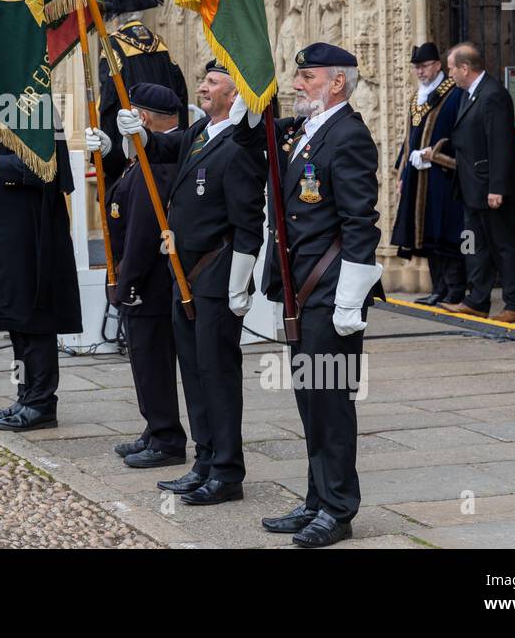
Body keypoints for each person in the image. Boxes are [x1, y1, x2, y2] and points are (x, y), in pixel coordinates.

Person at [115, 62, 267, 499]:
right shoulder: (203, 132)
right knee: (195, 373)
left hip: (215, 273)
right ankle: (203, 460)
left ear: (236, 94)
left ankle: (226, 471)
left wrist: (240, 279)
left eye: (213, 82)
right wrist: (132, 135)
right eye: (204, 80)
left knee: (217, 373)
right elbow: (162, 148)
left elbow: (247, 220)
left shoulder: (239, 144)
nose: (201, 86)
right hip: (183, 274)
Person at [260, 43, 383, 548]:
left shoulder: (348, 136)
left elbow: (360, 222)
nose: (296, 84)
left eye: (307, 77)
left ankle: (338, 509)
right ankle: (316, 498)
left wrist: (351, 298)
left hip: (330, 295)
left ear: (336, 82)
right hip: (302, 294)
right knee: (311, 401)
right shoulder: (308, 132)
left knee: (331, 404)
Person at [90, 83, 187, 468]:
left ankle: (166, 438)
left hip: (149, 283)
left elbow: (144, 231)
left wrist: (126, 281)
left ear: (142, 118)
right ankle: (154, 428)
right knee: (145, 360)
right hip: (145, 281)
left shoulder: (157, 159)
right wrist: (111, 153)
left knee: (152, 361)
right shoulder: (145, 154)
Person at [0, 129, 80, 432]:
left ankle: (41, 402)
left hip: (31, 231)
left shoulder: (38, 113)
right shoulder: (1, 119)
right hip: (5, 233)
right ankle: (23, 393)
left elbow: (46, 170)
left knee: (33, 321)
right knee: (14, 323)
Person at [427, 41, 515, 322]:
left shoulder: (493, 94)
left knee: (504, 245)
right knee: (476, 245)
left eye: (451, 69)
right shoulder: (468, 94)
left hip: (490, 187)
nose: (449, 75)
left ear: (464, 68)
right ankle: (476, 300)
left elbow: (501, 144)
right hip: (471, 184)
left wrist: (498, 187)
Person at [391, 43, 466, 306]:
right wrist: (402, 171)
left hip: (443, 176)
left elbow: (461, 134)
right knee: (428, 236)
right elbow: (410, 137)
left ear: (437, 65)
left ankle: (455, 287)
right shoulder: (418, 96)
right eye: (416, 68)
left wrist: (437, 154)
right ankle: (439, 287)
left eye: (424, 66)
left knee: (447, 231)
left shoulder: (454, 93)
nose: (420, 72)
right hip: (418, 175)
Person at [97, 0, 189, 186]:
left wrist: (108, 154)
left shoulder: (113, 45)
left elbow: (109, 99)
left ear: (117, 18)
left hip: (132, 144)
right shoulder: (160, 43)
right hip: (167, 142)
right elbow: (180, 91)